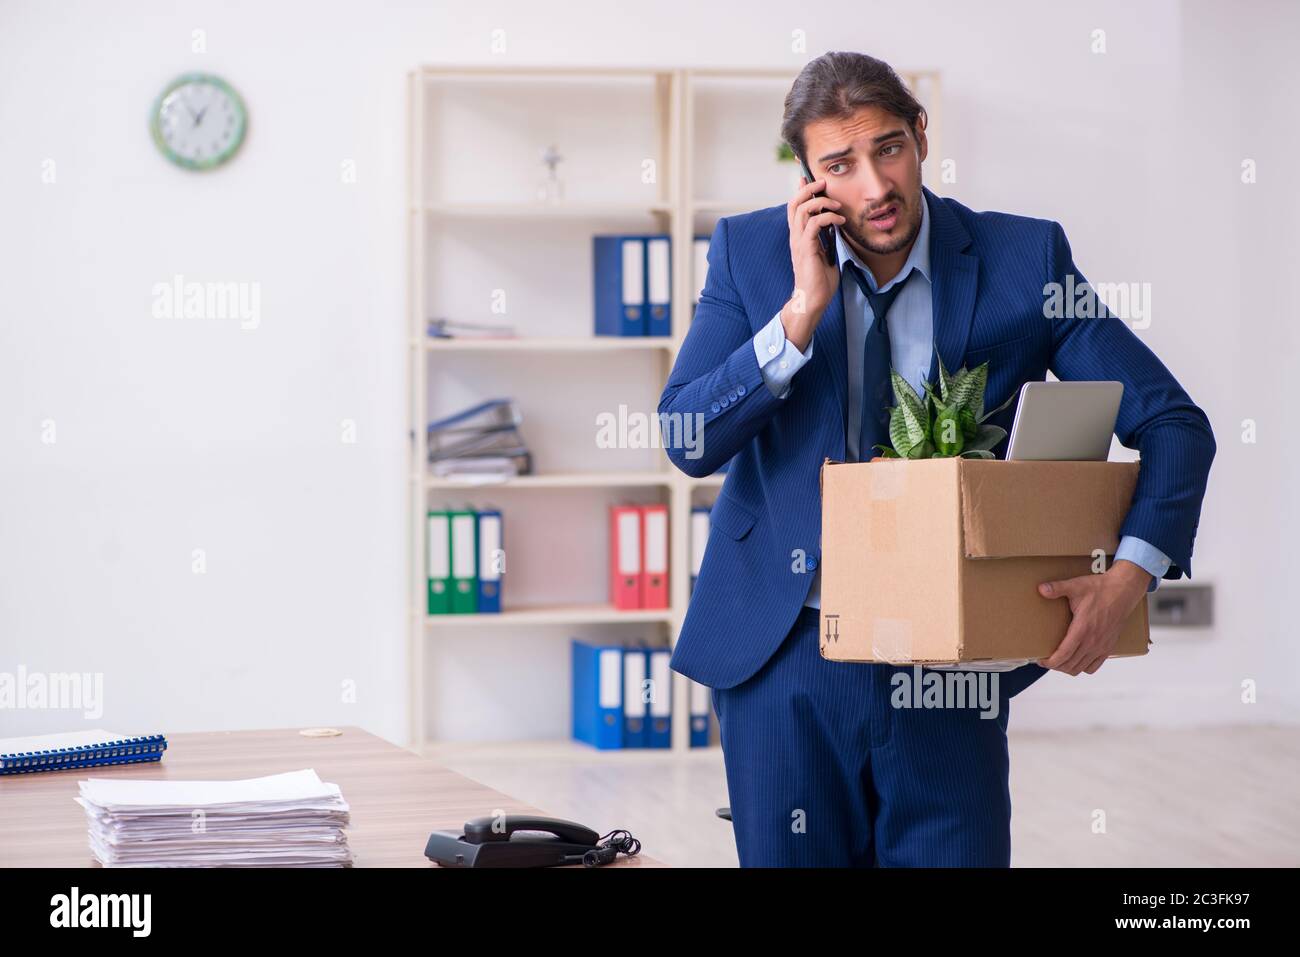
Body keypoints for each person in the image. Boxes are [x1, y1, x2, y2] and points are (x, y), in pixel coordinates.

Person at [659, 51, 1215, 867]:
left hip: (953, 661)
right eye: (839, 165)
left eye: (888, 148)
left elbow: (1174, 423)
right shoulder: (752, 255)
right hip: (784, 657)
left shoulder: (1025, 262)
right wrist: (799, 316)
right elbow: (688, 438)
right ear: (807, 176)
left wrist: (1128, 576)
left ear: (922, 135)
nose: (875, 187)